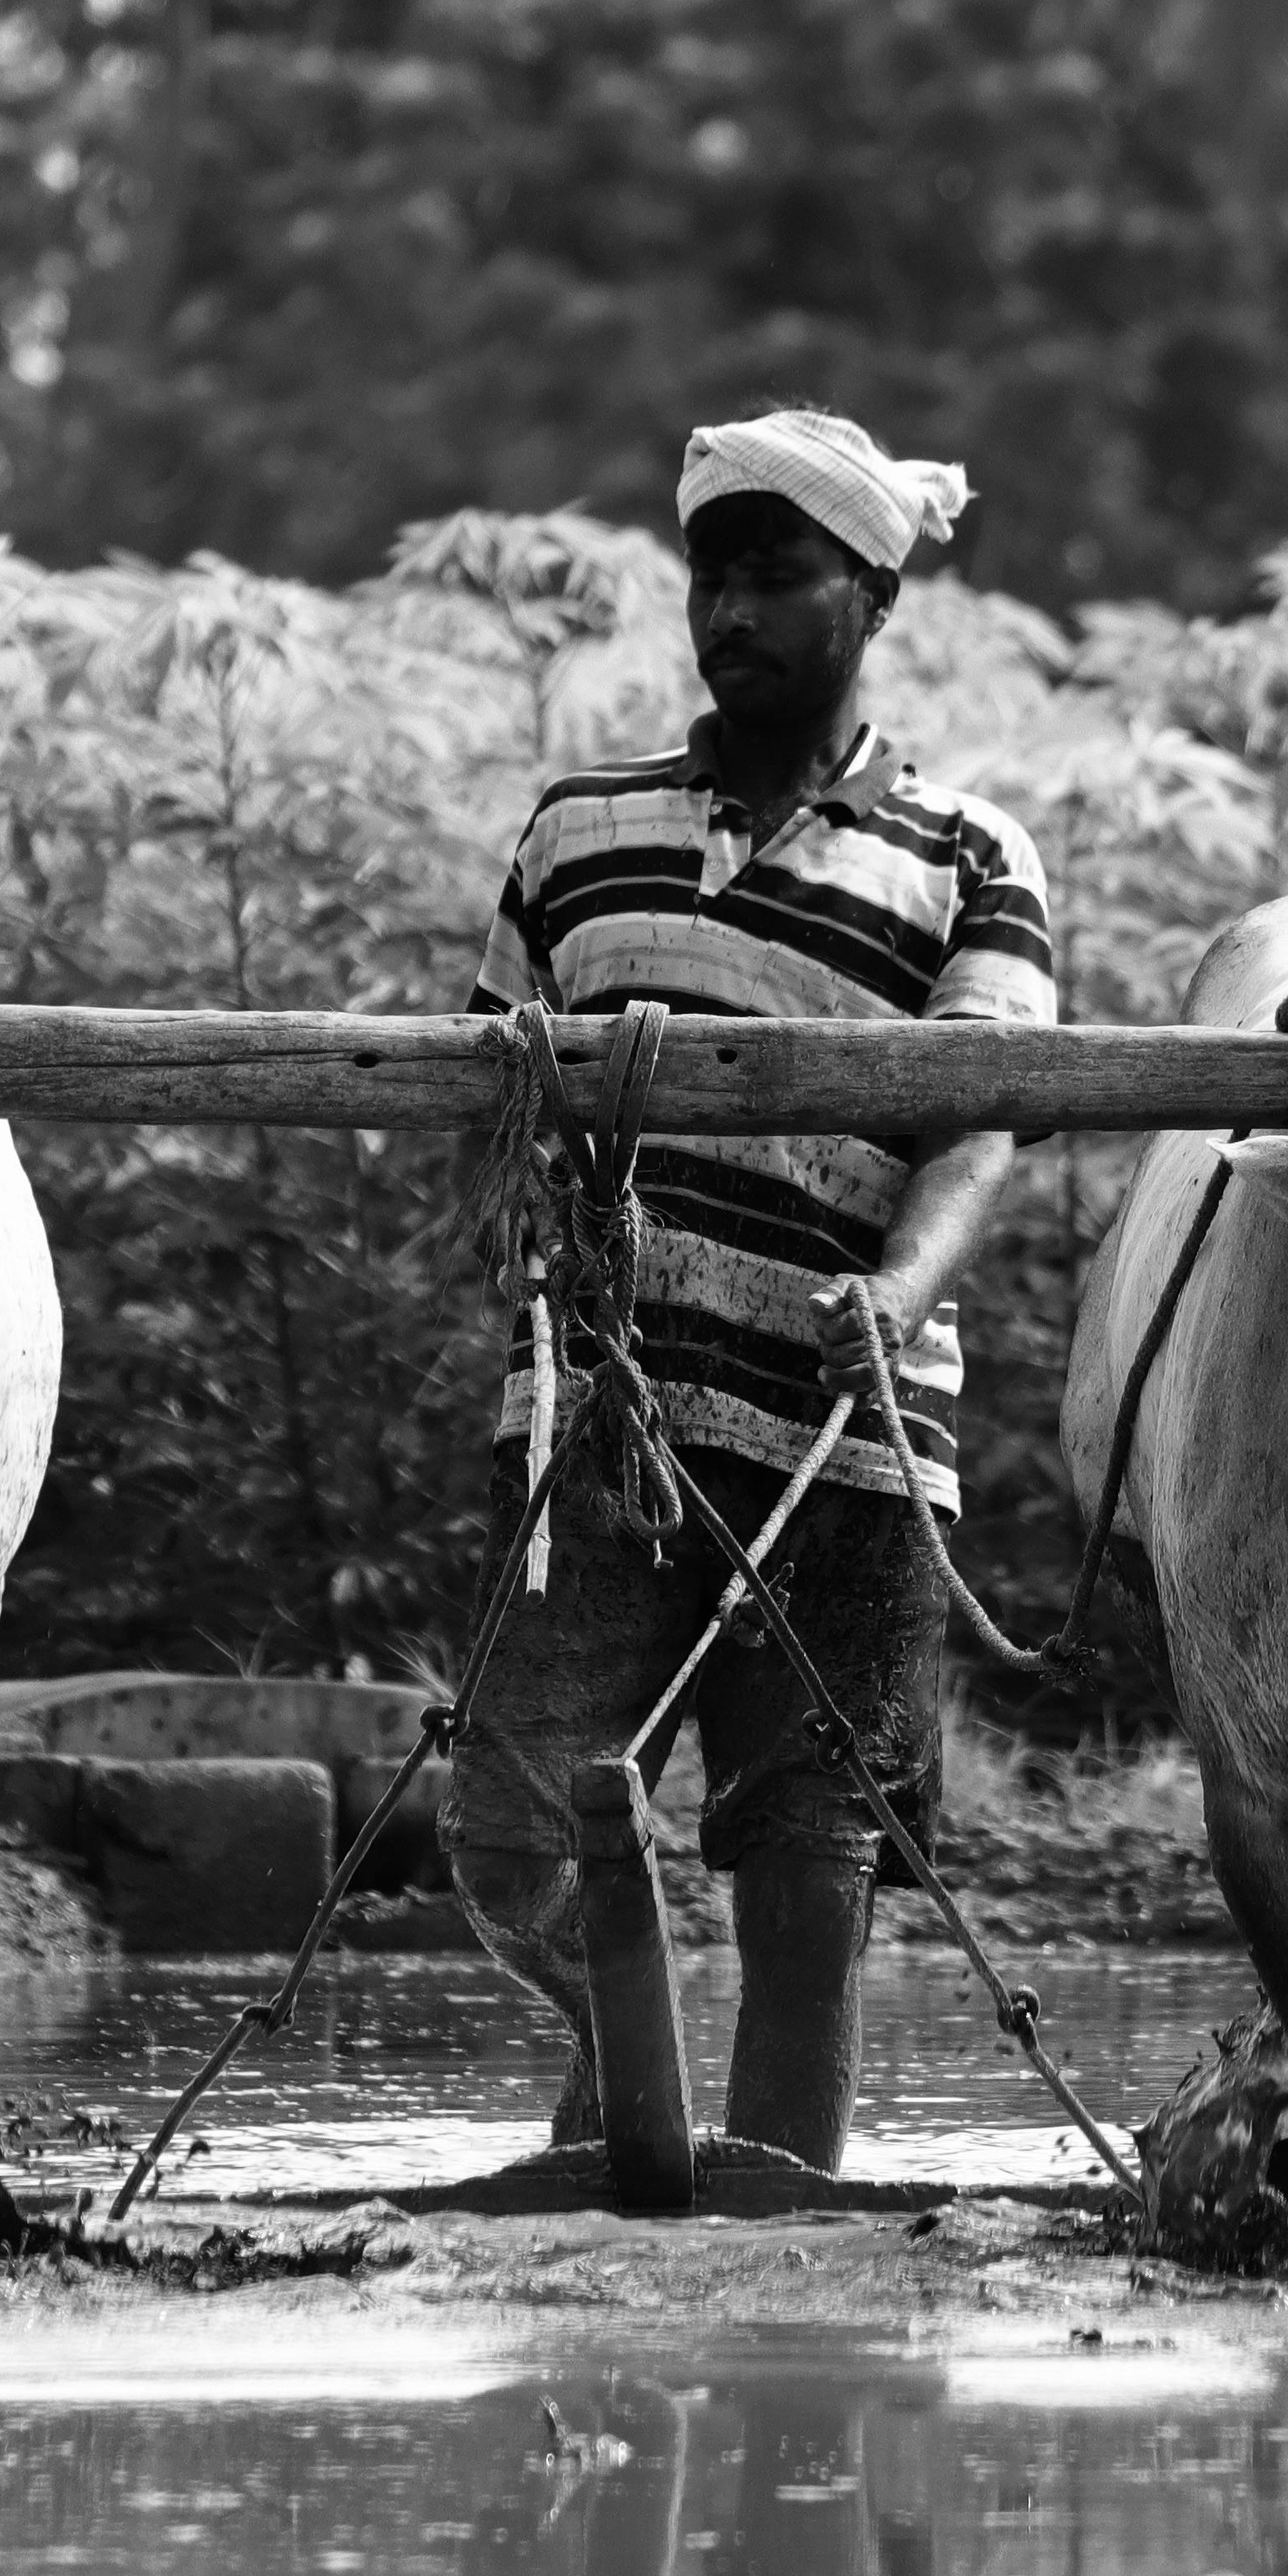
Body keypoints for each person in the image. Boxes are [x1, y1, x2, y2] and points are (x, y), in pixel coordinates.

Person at [450, 406, 1052, 2173]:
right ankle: (615, 2127)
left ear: (870, 594)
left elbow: (983, 1119)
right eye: (712, 577)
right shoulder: (578, 834)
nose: (734, 612)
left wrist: (898, 1286)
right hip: (596, 1427)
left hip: (844, 1436)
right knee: (518, 1824)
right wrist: (541, 1228)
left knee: (810, 1859)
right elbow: (487, 1097)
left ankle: (781, 2222)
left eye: (778, 577)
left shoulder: (967, 856)